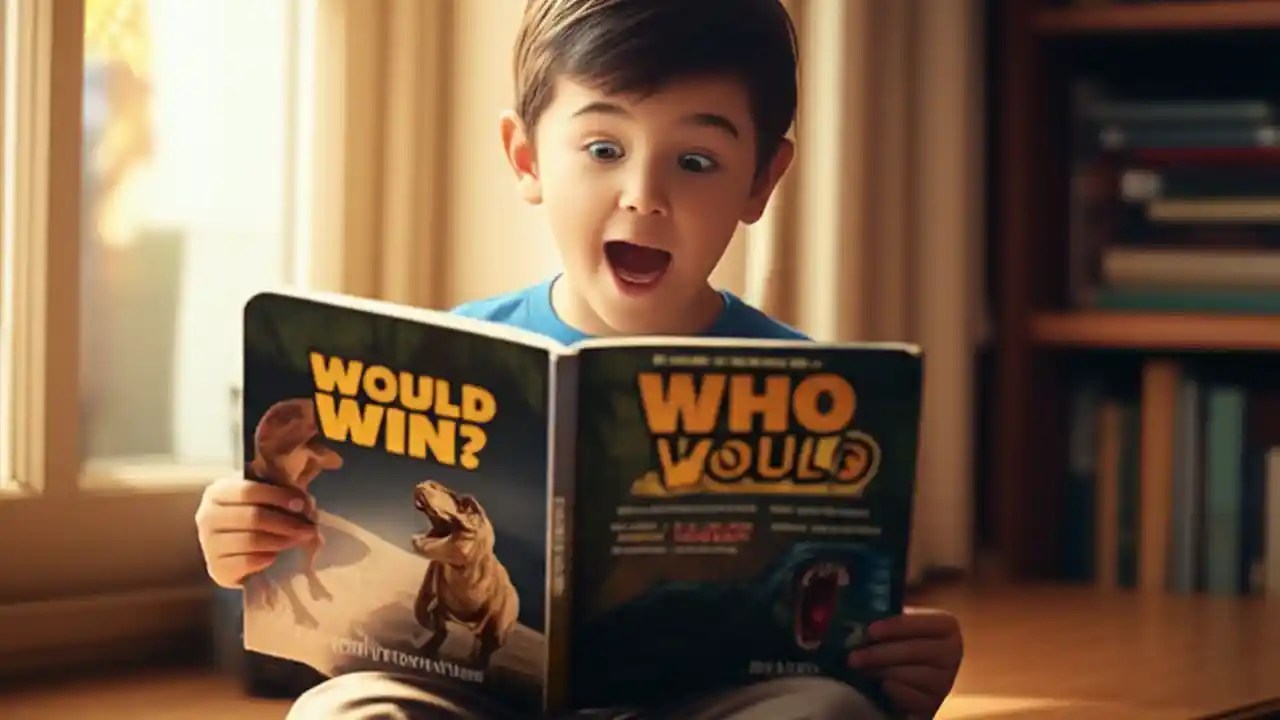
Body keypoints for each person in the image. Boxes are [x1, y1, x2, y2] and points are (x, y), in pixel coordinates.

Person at [193, 0, 964, 717]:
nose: (643, 194)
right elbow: (333, 590)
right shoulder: (455, 357)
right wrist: (246, 542)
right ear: (526, 159)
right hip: (479, 697)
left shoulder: (813, 388)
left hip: (705, 703)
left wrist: (898, 673)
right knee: (341, 710)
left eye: (695, 162)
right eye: (603, 147)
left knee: (828, 711)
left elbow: (827, 616)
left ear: (762, 180)